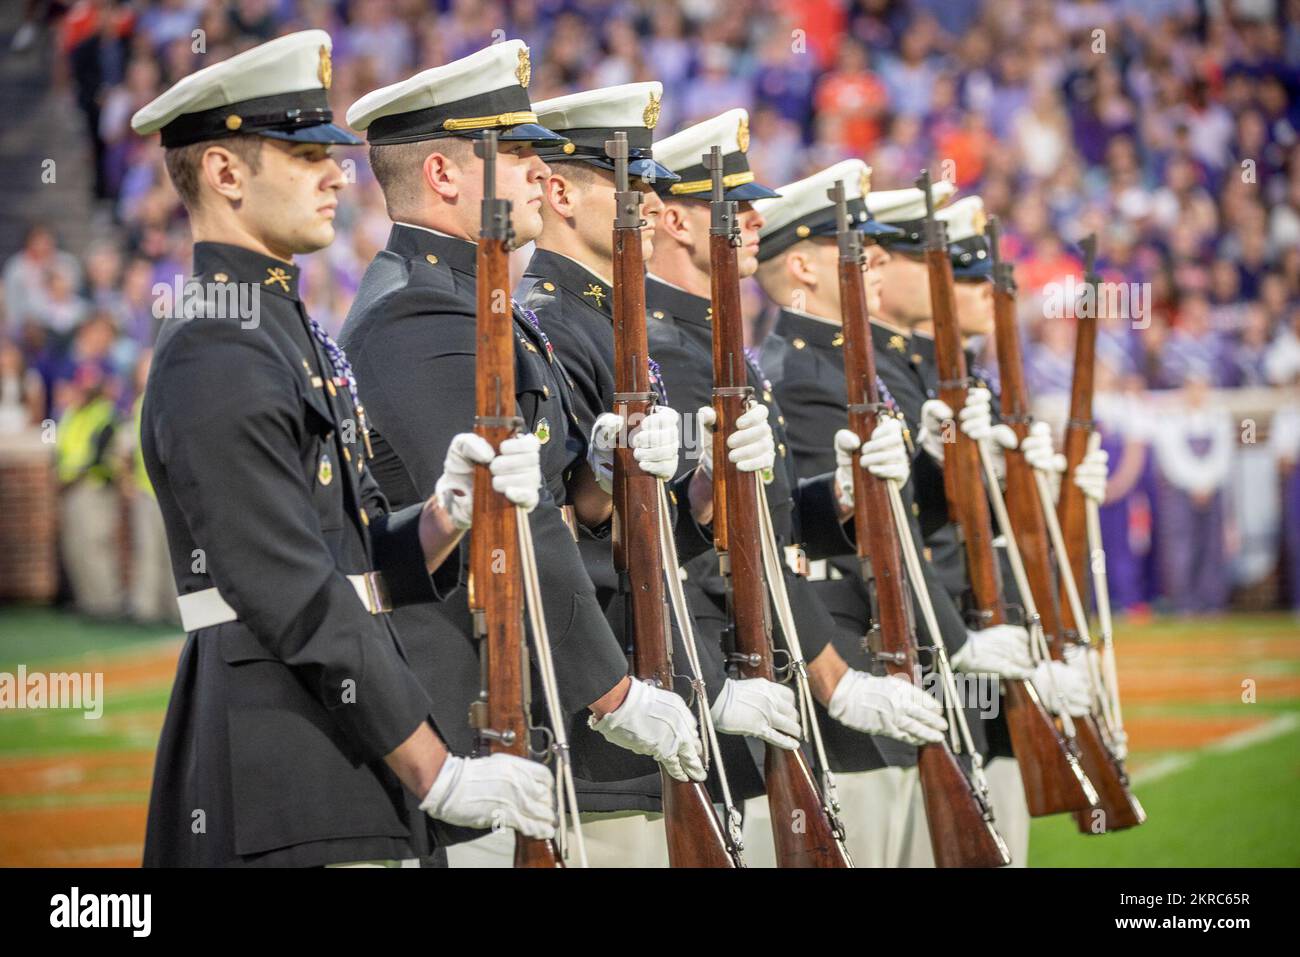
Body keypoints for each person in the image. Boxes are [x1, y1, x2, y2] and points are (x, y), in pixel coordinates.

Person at [130, 30, 555, 868]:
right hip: (278, 757)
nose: (338, 173)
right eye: (301, 153)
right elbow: (290, 586)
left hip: (338, 745)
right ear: (224, 173)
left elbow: (349, 556)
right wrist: (434, 770)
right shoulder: (218, 341)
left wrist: (440, 515)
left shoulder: (279, 326)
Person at [341, 42, 708, 868]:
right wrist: (616, 695)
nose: (536, 173)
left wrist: (601, 473)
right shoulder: (420, 315)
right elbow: (511, 523)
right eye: (515, 152)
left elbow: (553, 499)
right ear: (443, 173)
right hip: (470, 714)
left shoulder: (475, 300)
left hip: (526, 704)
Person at [645, 111, 943, 865]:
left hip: (773, 674)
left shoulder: (723, 348)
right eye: (732, 203)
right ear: (672, 218)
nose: (752, 215)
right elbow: (690, 553)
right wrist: (834, 677)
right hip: (730, 678)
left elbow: (771, 530)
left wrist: (835, 495)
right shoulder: (667, 350)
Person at [518, 82, 806, 855]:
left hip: (670, 689)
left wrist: (710, 483)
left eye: (648, 181)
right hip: (609, 714)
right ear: (559, 192)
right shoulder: (550, 320)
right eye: (629, 181)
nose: (645, 199)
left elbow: (669, 534)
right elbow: (550, 533)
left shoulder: (609, 320)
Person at [54, 361, 121, 619]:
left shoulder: (104, 413)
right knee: (76, 547)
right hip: (70, 490)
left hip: (94, 487)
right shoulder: (71, 415)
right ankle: (87, 602)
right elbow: (61, 452)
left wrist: (71, 475)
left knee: (96, 546)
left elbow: (96, 455)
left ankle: (108, 604)